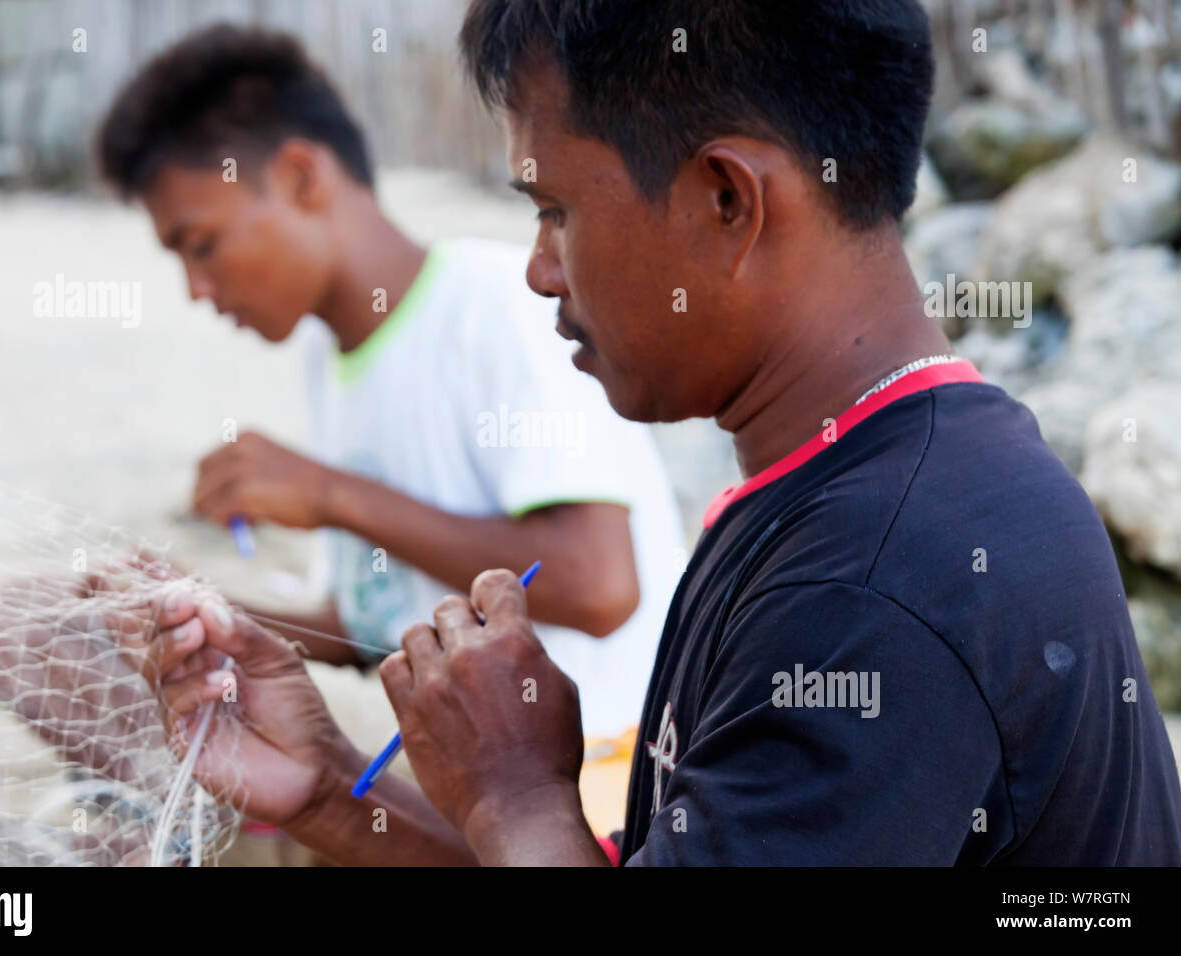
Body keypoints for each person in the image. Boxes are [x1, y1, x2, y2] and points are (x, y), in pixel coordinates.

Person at [143, 0, 1181, 865]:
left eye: (554, 208)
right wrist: (325, 786)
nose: (539, 268)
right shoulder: (880, 479)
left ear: (727, 201)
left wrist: (517, 792)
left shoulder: (869, 587)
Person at [94, 24, 685, 838]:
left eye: (202, 244)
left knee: (28, 626)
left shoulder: (498, 304)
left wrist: (334, 495)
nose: (197, 288)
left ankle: (163, 836)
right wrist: (204, 618)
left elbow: (599, 584)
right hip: (434, 743)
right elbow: (373, 619)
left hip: (582, 771)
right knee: (64, 631)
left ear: (302, 176)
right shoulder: (331, 357)